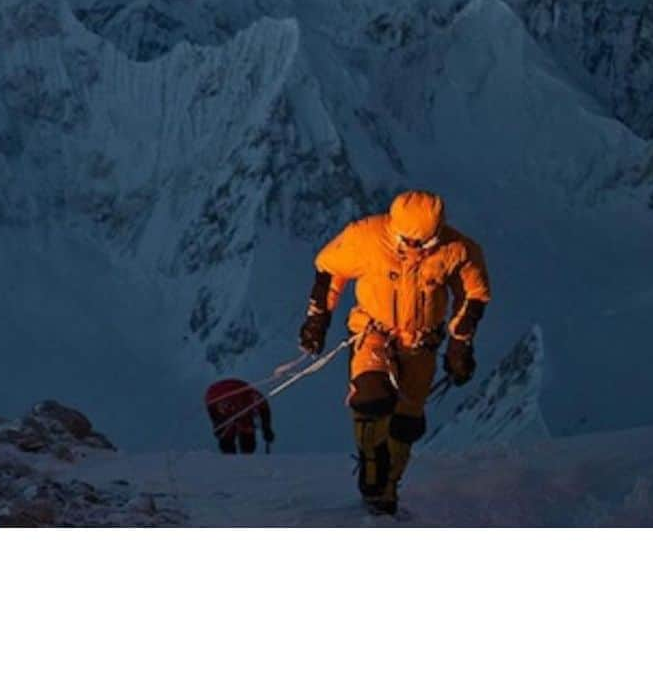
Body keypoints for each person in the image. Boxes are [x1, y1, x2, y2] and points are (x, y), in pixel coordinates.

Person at [298, 190, 491, 514]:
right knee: (371, 396)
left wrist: (460, 344)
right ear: (393, 227)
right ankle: (372, 469)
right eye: (406, 241)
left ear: (437, 232)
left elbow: (473, 294)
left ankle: (387, 488)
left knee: (407, 422)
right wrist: (318, 319)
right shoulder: (367, 237)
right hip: (372, 332)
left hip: (421, 344)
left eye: (424, 243)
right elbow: (330, 268)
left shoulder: (457, 250)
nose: (414, 249)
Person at [204, 378, 275, 454]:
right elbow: (264, 409)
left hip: (226, 396)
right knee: (229, 431)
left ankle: (235, 452)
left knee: (231, 431)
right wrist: (266, 428)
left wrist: (266, 428)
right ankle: (236, 452)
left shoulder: (251, 399)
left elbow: (264, 408)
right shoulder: (248, 400)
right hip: (220, 397)